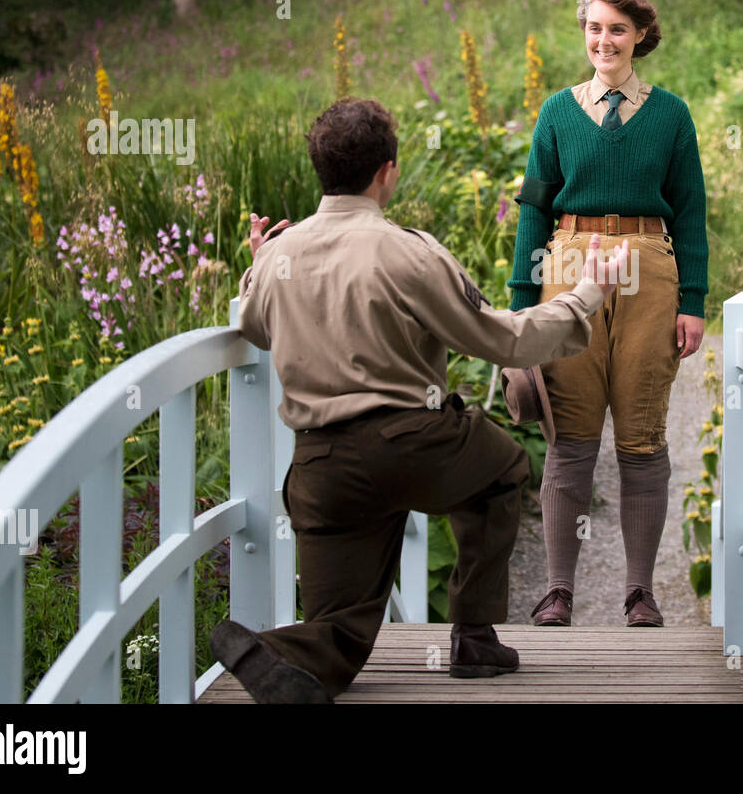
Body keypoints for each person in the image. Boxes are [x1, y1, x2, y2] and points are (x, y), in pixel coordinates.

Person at [212, 96, 630, 703]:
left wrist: (260, 265)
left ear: (320, 171)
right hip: (413, 444)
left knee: (342, 631)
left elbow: (254, 324)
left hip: (321, 467)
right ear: (387, 171)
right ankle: (475, 640)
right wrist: (585, 296)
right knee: (504, 471)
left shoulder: (280, 255)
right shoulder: (411, 252)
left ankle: (274, 650)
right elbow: (501, 340)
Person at [508, 0, 708, 627]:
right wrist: (520, 305)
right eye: (594, 28)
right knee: (570, 438)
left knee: (642, 438)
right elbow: (534, 209)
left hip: (650, 268)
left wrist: (694, 300)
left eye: (617, 30)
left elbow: (694, 212)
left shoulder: (672, 115)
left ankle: (639, 592)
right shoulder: (556, 113)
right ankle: (558, 591)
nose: (604, 41)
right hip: (567, 267)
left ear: (640, 36)